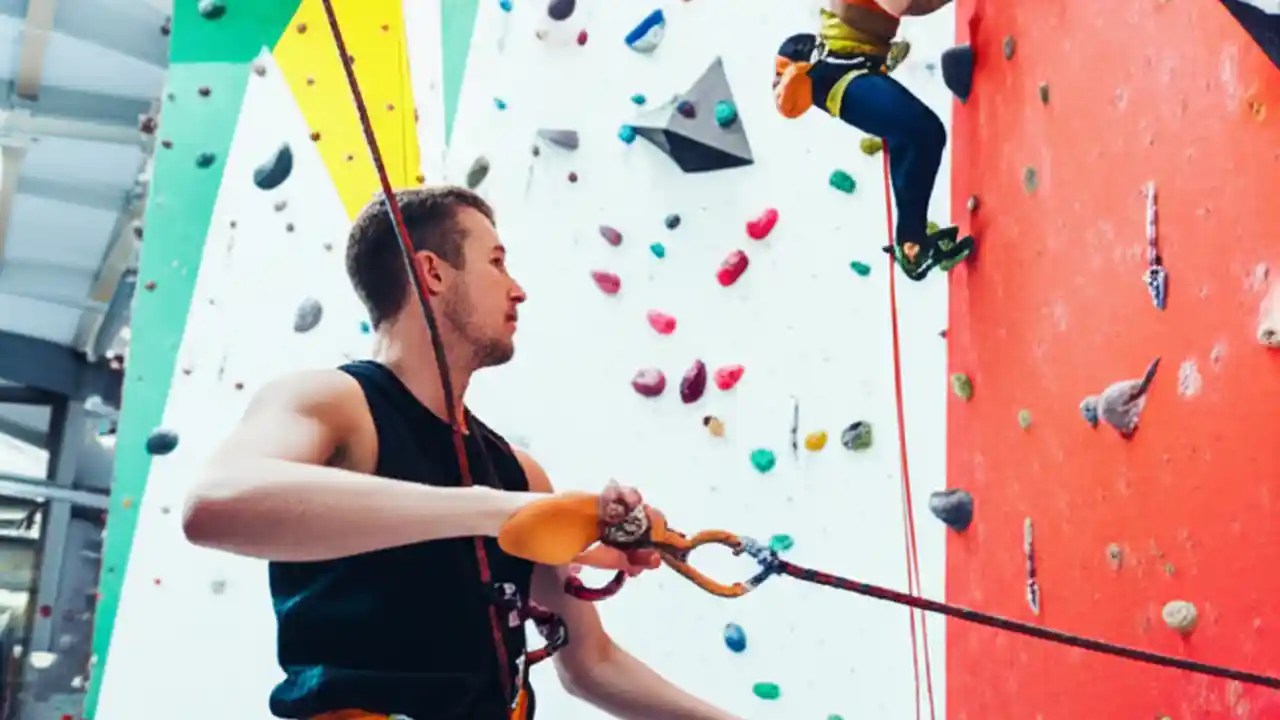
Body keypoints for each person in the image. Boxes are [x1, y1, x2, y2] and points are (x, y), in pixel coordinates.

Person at [182, 186, 741, 720]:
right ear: (432, 272)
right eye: (496, 262)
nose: (517, 289)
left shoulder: (516, 472)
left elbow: (591, 663)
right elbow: (215, 502)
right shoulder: (335, 402)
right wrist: (494, 511)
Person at [773, 0, 973, 281]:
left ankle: (912, 241)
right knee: (921, 133)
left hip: (854, 64)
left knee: (919, 133)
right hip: (839, 73)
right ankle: (912, 245)